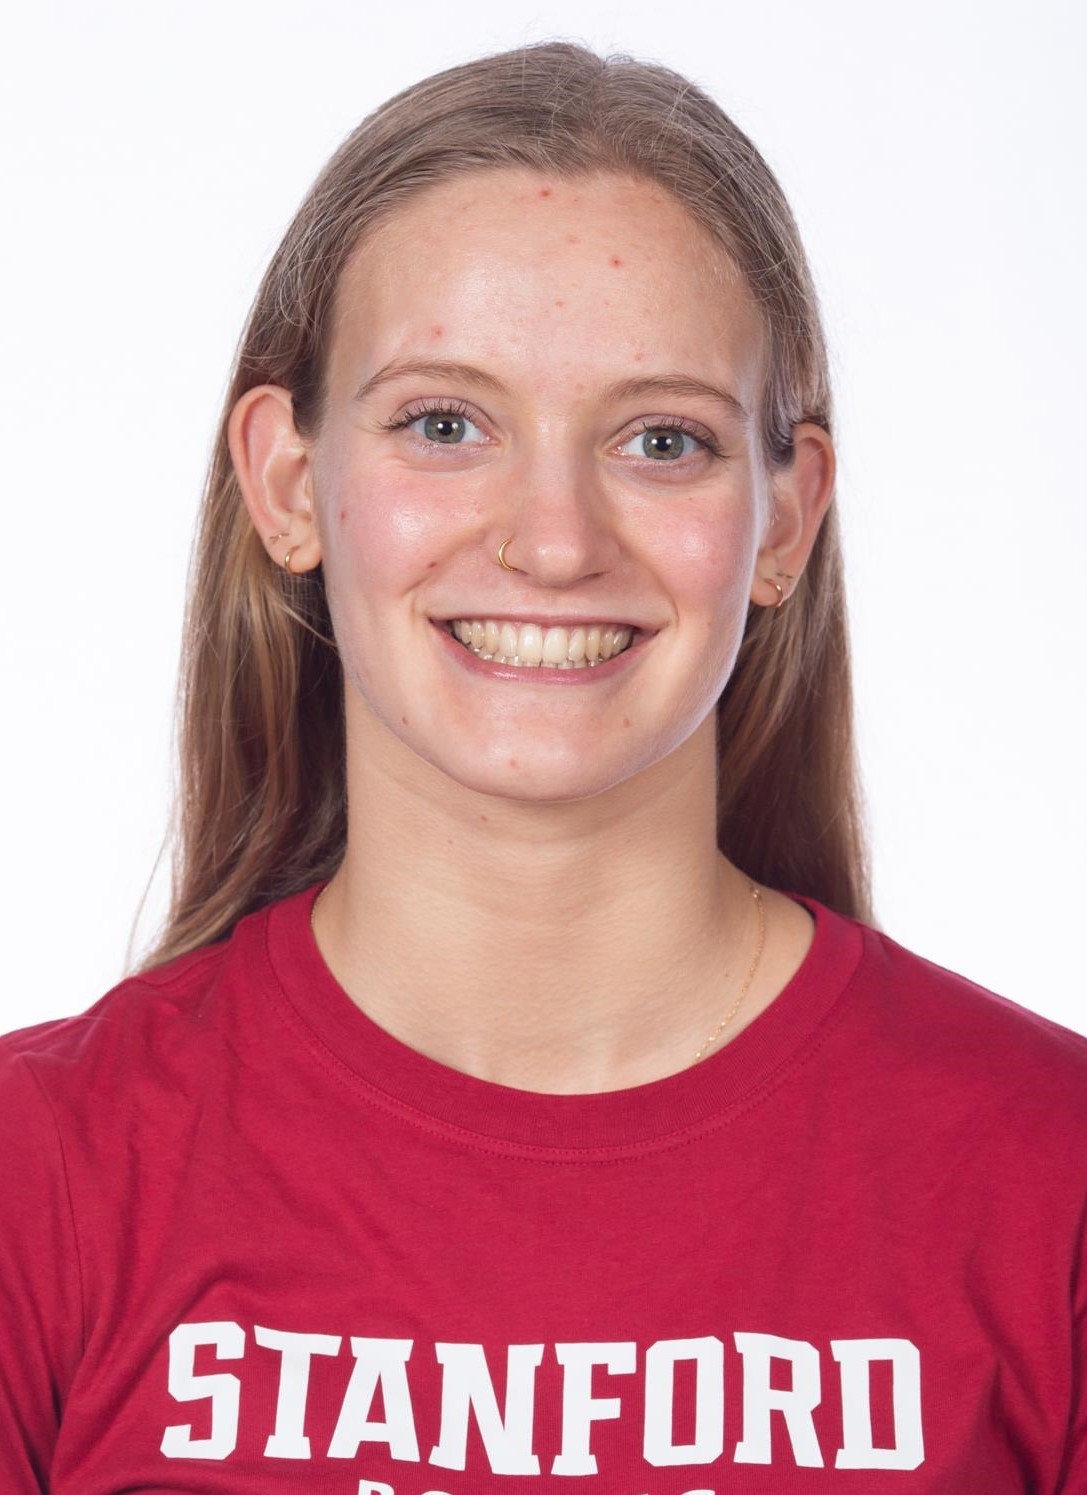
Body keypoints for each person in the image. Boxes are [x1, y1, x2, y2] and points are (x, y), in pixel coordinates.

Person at [1, 38, 1084, 1495]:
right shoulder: (38, 1178)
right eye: (444, 425)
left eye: (662, 439)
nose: (557, 540)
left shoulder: (1052, 1176)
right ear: (287, 482)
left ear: (783, 517)